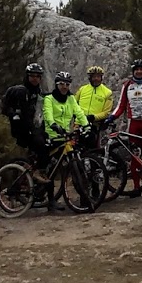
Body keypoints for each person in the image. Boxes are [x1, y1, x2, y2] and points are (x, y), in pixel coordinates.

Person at [42, 70, 90, 209]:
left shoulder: (71, 98)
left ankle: (84, 197)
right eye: (61, 84)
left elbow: (79, 113)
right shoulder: (49, 98)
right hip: (51, 135)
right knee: (50, 168)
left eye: (67, 84)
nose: (64, 87)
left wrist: (86, 126)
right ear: (56, 85)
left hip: (65, 136)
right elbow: (48, 116)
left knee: (75, 164)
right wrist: (53, 126)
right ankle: (50, 200)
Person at [112, 57, 142, 197]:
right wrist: (112, 117)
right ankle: (136, 187)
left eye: (141, 69)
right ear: (133, 71)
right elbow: (121, 105)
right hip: (134, 124)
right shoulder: (127, 85)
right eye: (136, 69)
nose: (139, 71)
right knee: (134, 157)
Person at [2, 62, 49, 179]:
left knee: (48, 142)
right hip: (21, 129)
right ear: (27, 76)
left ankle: (35, 173)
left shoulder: (38, 92)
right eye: (32, 76)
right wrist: (13, 115)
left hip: (32, 127)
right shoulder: (21, 91)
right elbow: (8, 109)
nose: (35, 79)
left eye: (38, 76)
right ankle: (38, 172)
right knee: (40, 144)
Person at [75, 65, 113, 130]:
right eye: (94, 77)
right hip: (79, 123)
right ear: (90, 78)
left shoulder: (107, 92)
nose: (96, 79)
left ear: (101, 78)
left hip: (95, 125)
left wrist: (94, 117)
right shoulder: (82, 89)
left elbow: (106, 112)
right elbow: (74, 104)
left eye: (98, 76)